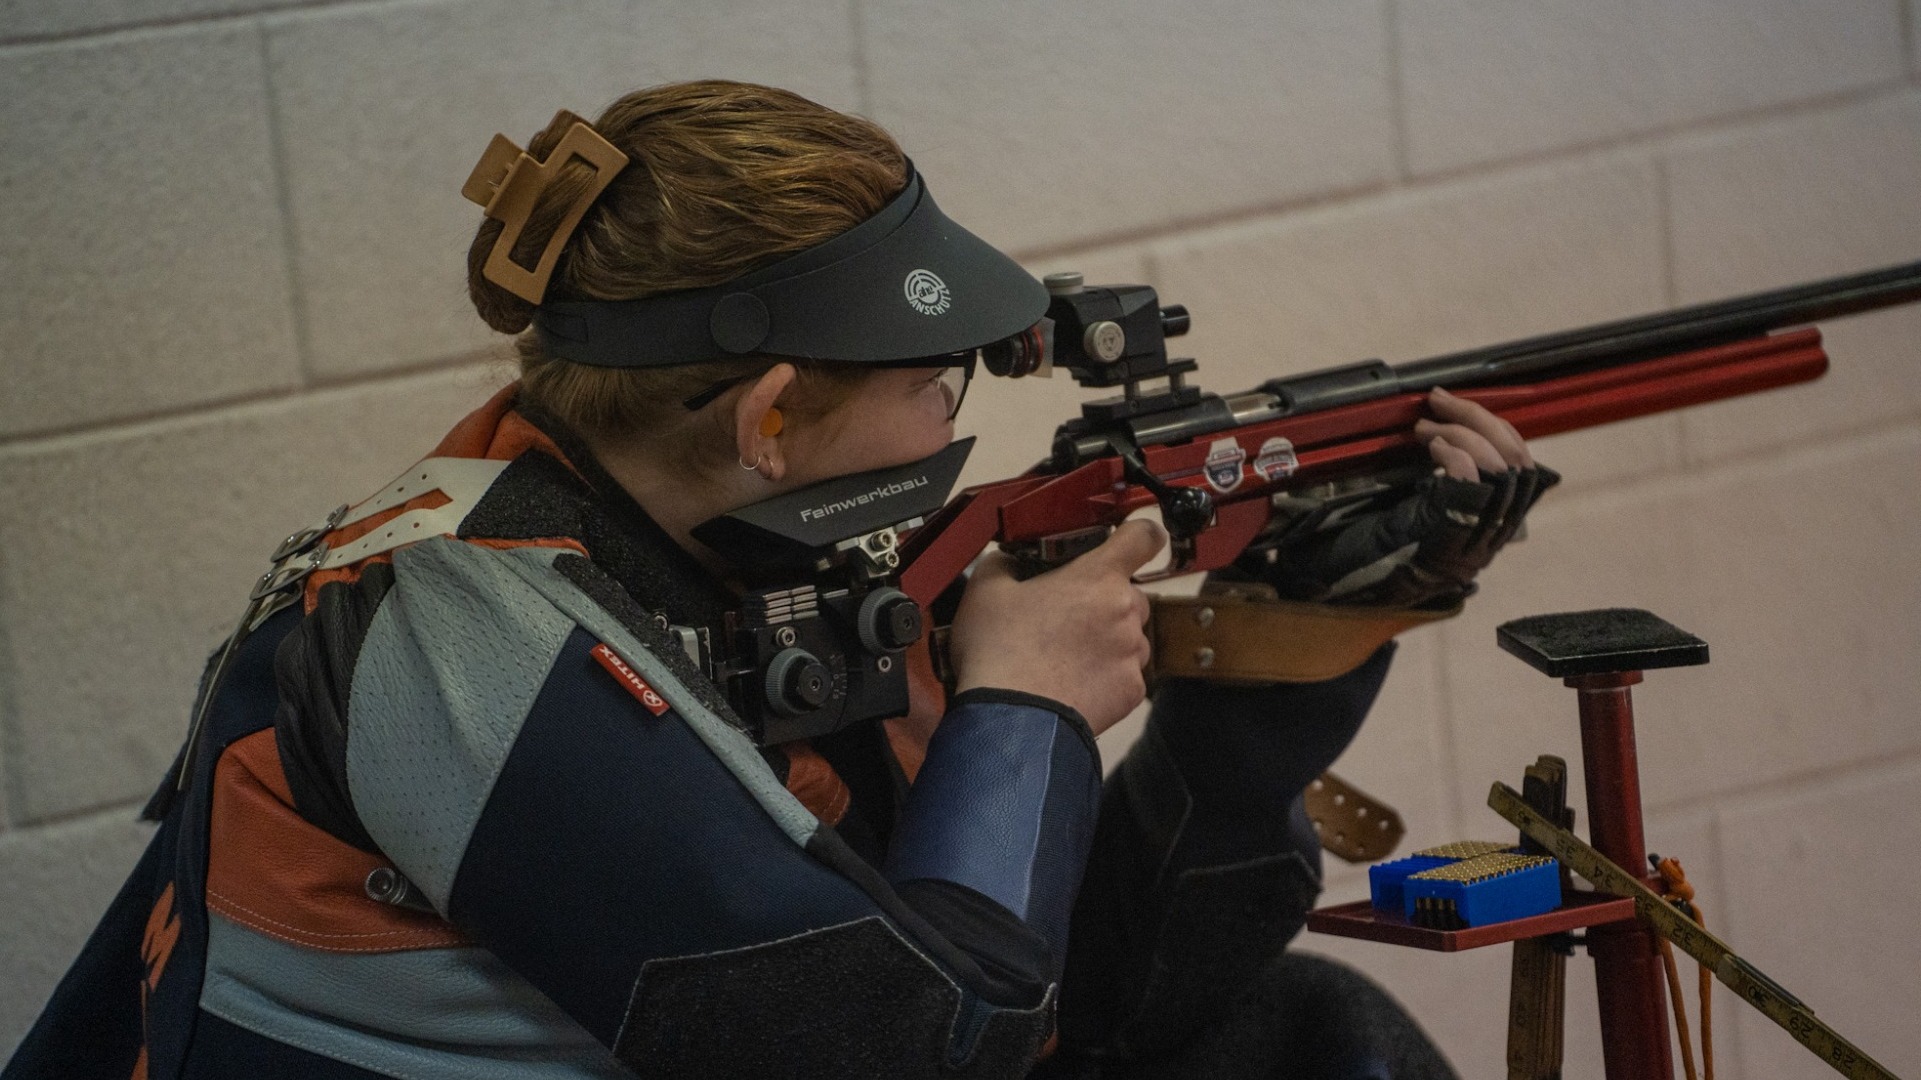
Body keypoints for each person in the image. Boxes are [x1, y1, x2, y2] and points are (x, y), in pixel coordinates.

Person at [4, 80, 1548, 1080]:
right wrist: (1024, 708)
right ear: (772, 417)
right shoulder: (457, 641)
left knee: (1310, 1041)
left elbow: (1083, 1004)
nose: (957, 424)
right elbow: (924, 1049)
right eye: (938, 383)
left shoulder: (744, 565)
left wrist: (1292, 646)